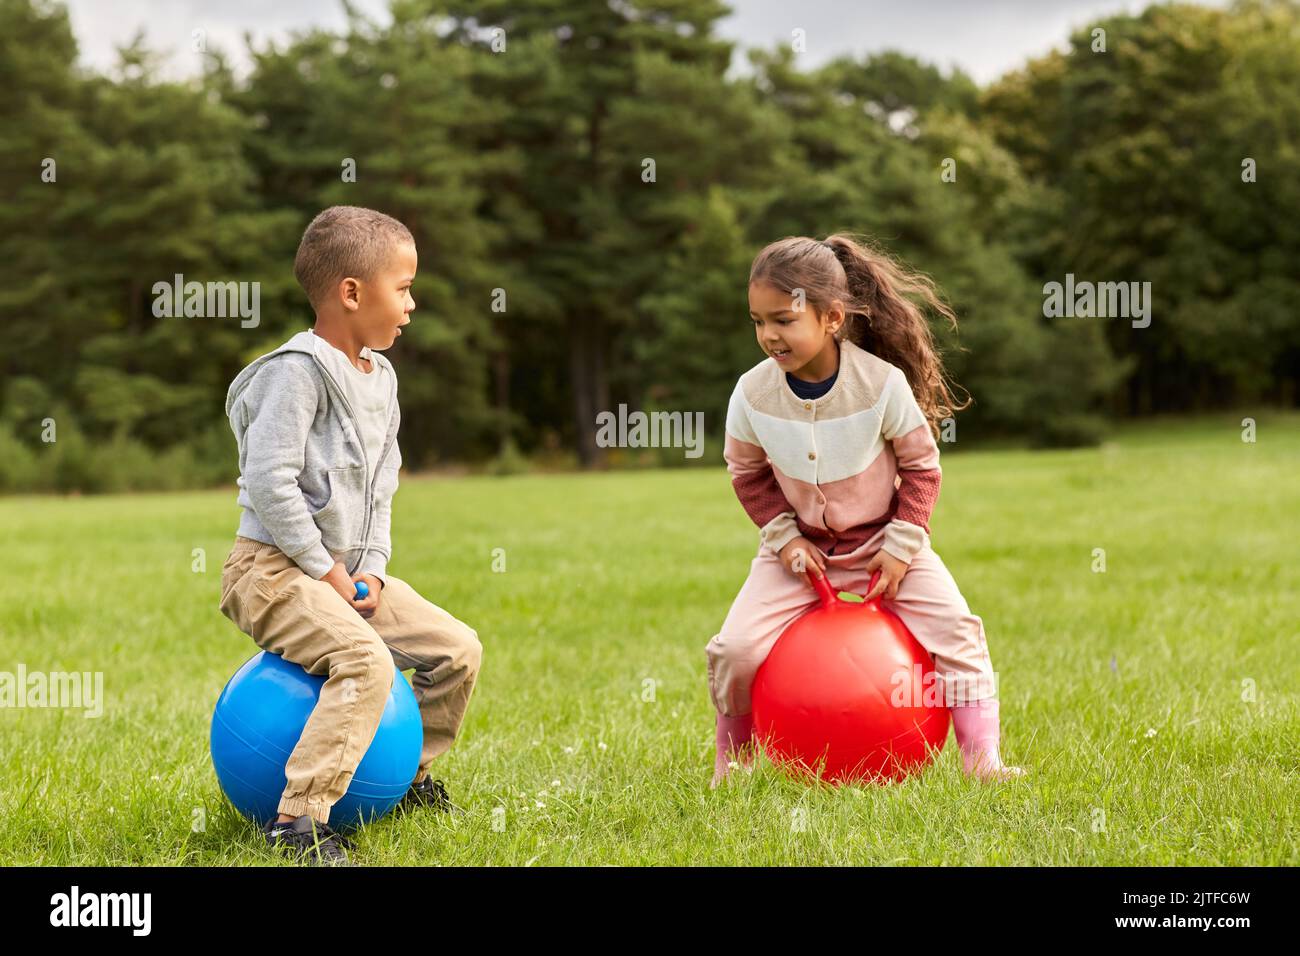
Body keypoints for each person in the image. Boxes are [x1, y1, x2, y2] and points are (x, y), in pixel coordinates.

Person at [708, 234, 1025, 788]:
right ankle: (733, 767)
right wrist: (785, 540)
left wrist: (902, 547)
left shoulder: (881, 385)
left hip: (886, 543)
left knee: (959, 632)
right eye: (757, 321)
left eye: (783, 319)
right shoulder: (751, 394)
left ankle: (983, 764)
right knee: (733, 649)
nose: (767, 336)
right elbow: (748, 475)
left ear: (832, 317)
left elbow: (923, 470)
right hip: (798, 552)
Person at [218, 205, 482, 864]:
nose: (413, 303)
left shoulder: (382, 379)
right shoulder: (296, 373)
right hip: (273, 572)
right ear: (352, 293)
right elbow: (272, 487)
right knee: (364, 660)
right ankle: (298, 822)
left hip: (349, 577)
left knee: (459, 649)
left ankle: (405, 777)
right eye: (404, 287)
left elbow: (382, 487)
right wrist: (332, 577)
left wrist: (375, 572)